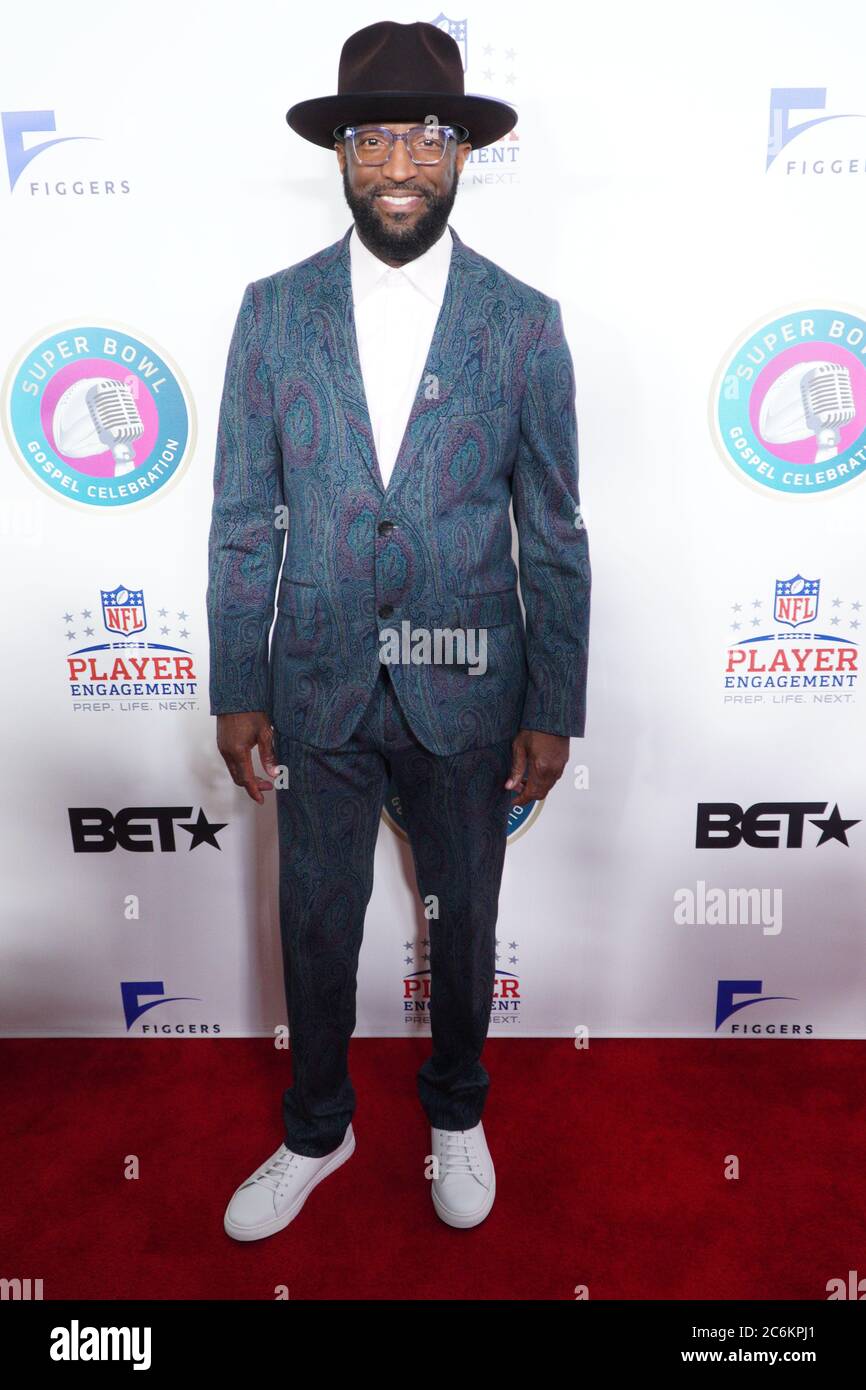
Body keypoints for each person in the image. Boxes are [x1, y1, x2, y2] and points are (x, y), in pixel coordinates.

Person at [206, 18, 591, 1241]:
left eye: (422, 137)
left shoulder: (523, 321)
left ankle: (456, 1114)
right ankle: (316, 1127)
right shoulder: (272, 314)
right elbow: (238, 517)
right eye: (369, 137)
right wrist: (234, 679)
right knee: (313, 919)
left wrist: (551, 702)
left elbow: (555, 529)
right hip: (313, 680)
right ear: (339, 153)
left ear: (461, 150)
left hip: (471, 686)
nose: (395, 166)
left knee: (461, 916)